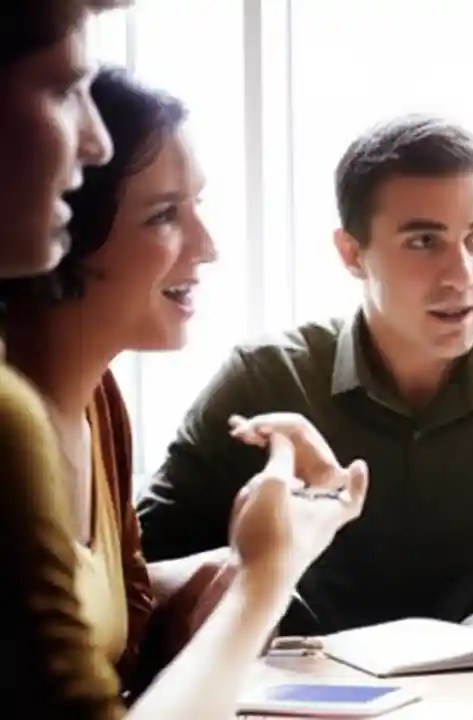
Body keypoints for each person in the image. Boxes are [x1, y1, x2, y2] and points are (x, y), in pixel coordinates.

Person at [136, 113, 473, 635]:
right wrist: (259, 553)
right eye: (424, 241)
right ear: (352, 254)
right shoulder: (265, 380)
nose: (462, 274)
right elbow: (131, 585)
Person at [0, 10, 369, 715]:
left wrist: (251, 556)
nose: (205, 247)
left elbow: (115, 631)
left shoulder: (98, 401)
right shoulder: (13, 422)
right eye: (165, 214)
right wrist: (264, 575)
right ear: (73, 228)